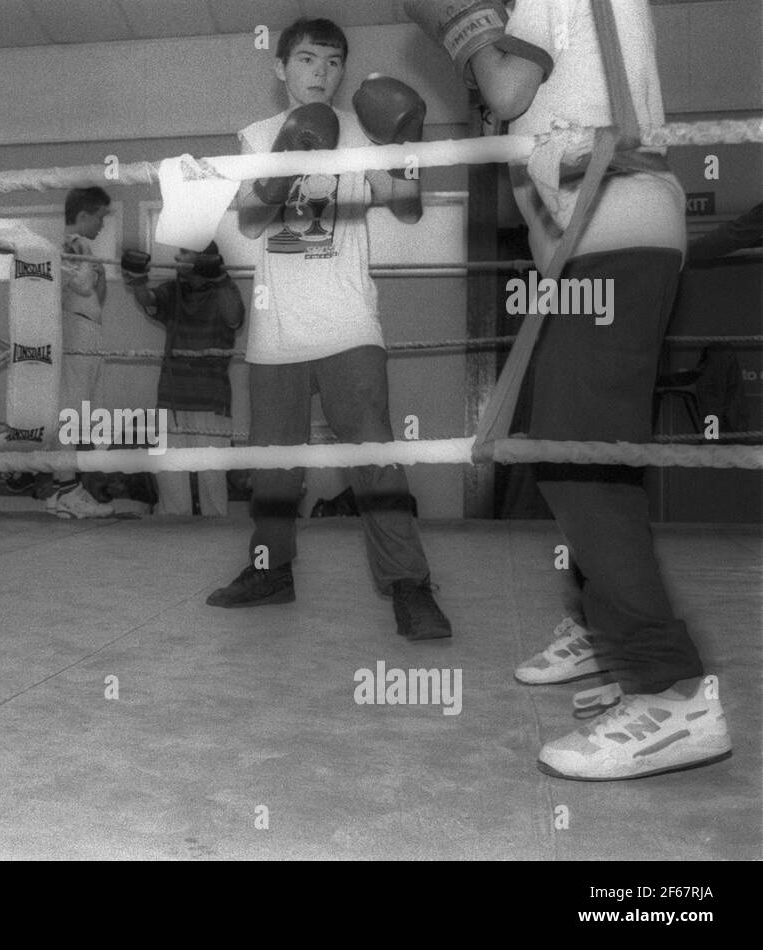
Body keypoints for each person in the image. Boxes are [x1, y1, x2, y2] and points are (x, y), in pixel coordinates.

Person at [407, 0, 731, 778]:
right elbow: (537, 151)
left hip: (614, 233)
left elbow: (510, 87)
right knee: (570, 445)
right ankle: (607, 634)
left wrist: (457, 20)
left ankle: (668, 690)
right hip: (594, 241)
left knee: (576, 456)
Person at [207, 17, 452, 642]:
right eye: (309, 60)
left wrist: (407, 145)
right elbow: (256, 224)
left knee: (373, 456)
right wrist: (286, 157)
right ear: (281, 67)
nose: (322, 73)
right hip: (276, 326)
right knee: (273, 468)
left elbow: (406, 205)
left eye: (334, 62)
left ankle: (409, 586)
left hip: (349, 322)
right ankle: (271, 572)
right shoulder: (256, 135)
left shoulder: (365, 130)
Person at [122, 241, 245, 516]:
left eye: (185, 252)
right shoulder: (175, 289)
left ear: (203, 257)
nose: (177, 257)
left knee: (212, 483)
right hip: (172, 398)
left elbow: (234, 317)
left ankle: (213, 544)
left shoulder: (226, 290)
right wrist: (138, 280)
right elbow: (149, 302)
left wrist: (220, 277)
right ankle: (171, 547)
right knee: (170, 482)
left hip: (211, 401)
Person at [42, 187, 117, 518]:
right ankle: (65, 489)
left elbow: (98, 296)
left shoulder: (84, 248)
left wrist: (95, 267)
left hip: (89, 329)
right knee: (70, 410)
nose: (102, 225)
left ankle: (65, 490)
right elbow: (84, 286)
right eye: (100, 217)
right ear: (83, 215)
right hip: (76, 331)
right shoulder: (66, 247)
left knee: (84, 409)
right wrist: (90, 263)